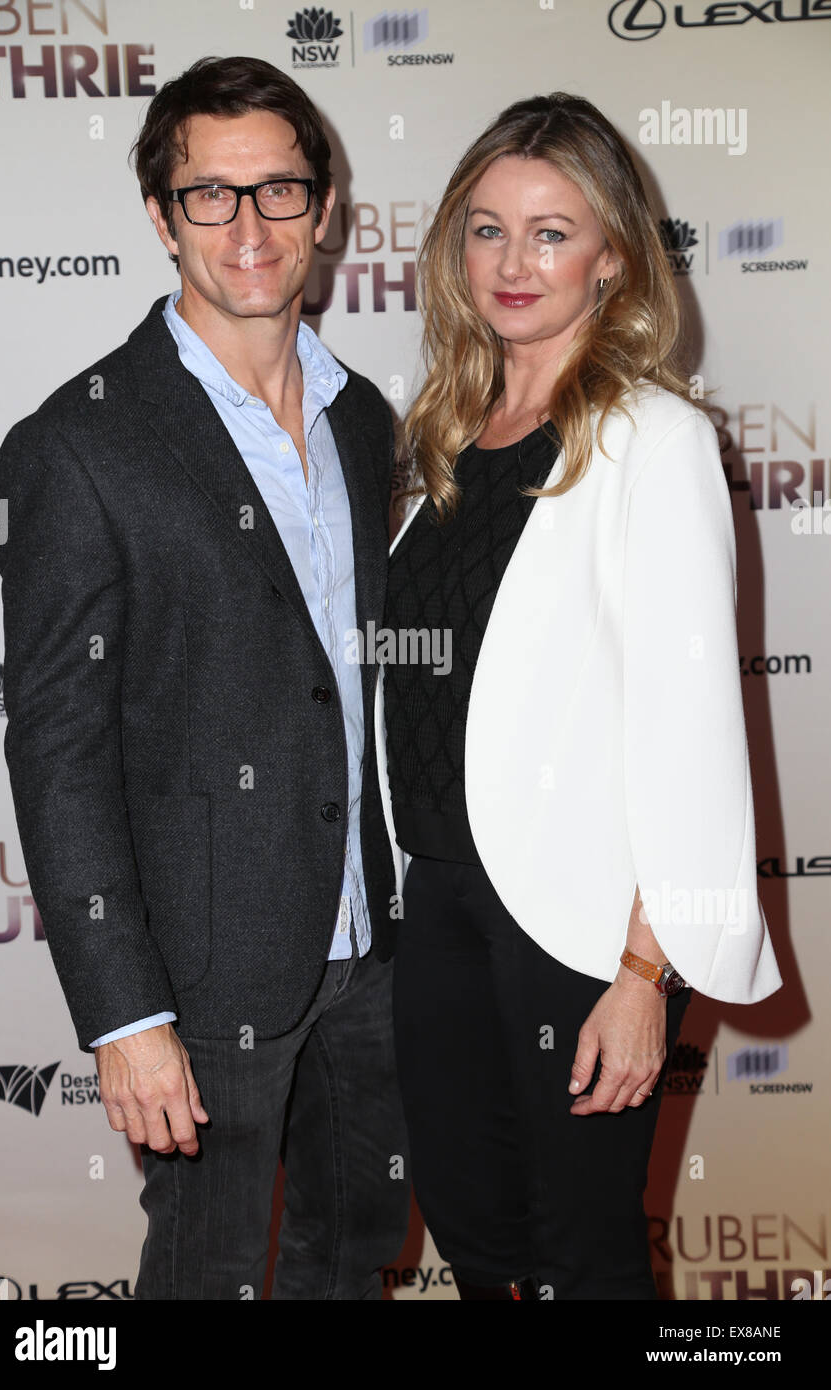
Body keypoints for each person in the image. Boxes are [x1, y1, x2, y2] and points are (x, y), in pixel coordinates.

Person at [0, 55, 409, 1301]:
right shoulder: (78, 442)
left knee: (353, 1255)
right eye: (210, 196)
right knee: (211, 1274)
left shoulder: (364, 419)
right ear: (161, 216)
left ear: (325, 208)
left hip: (371, 948)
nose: (248, 228)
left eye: (278, 191)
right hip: (198, 972)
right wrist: (127, 1018)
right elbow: (56, 750)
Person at [375, 92, 782, 1301]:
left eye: (551, 232)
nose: (513, 262)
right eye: (487, 228)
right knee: (478, 1234)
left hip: (576, 926)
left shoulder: (648, 438)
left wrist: (643, 975)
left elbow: (691, 729)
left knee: (582, 1255)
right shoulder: (440, 435)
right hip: (437, 897)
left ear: (611, 258)